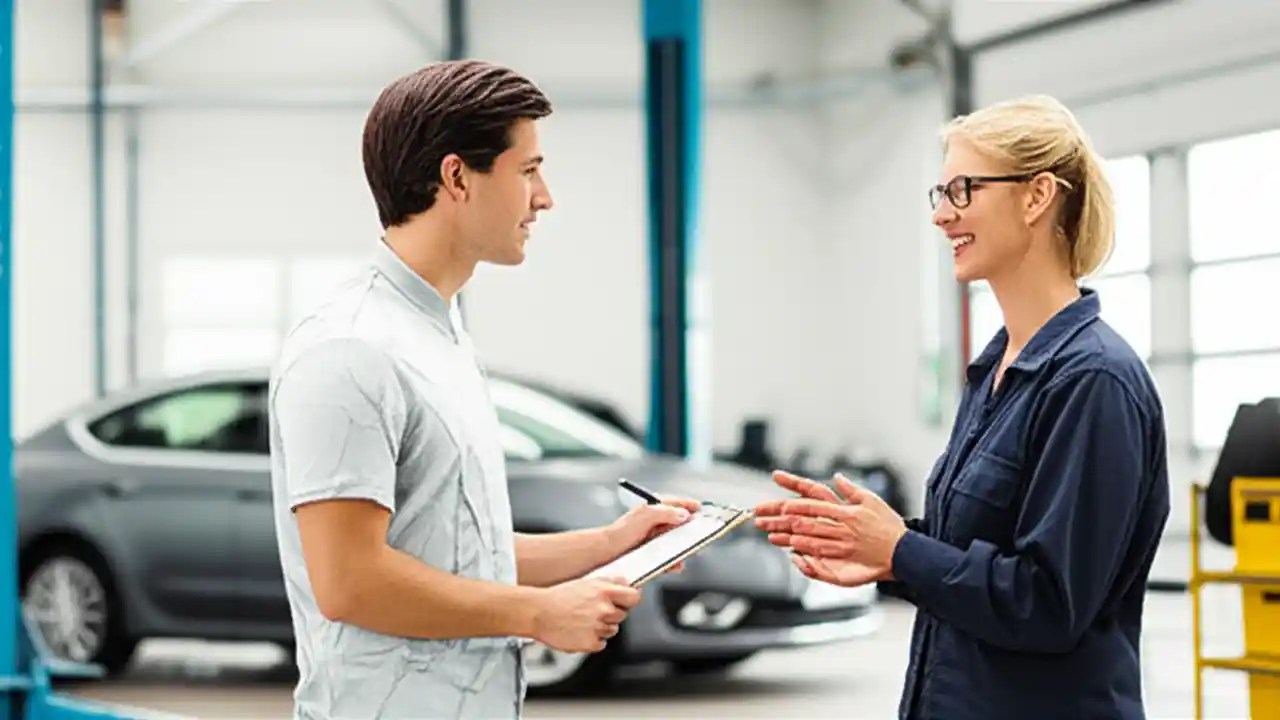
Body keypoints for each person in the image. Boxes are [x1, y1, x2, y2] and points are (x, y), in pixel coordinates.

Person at [268, 59, 698, 720]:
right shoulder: (351, 349)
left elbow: (461, 556)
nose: (544, 198)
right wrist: (538, 613)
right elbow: (350, 582)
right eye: (528, 170)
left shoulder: (438, 336)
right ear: (457, 177)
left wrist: (612, 543)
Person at [754, 95, 1170, 720]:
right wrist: (876, 546)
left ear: (1036, 196)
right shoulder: (995, 369)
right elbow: (978, 554)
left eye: (963, 190)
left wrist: (901, 550)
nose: (941, 215)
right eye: (940, 193)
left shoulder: (1093, 381)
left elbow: (1047, 603)